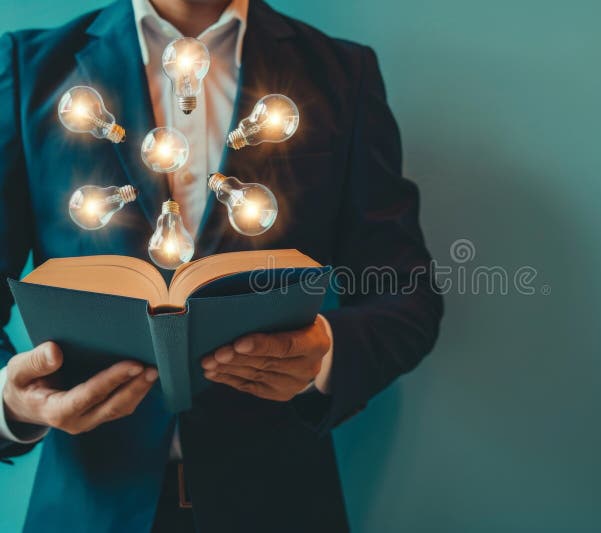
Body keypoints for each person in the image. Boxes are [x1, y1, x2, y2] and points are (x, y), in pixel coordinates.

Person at [0, 0, 443, 531]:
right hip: (88, 506)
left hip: (278, 503)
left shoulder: (340, 75)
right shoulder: (32, 69)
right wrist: (12, 402)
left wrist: (321, 355)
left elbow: (407, 296)